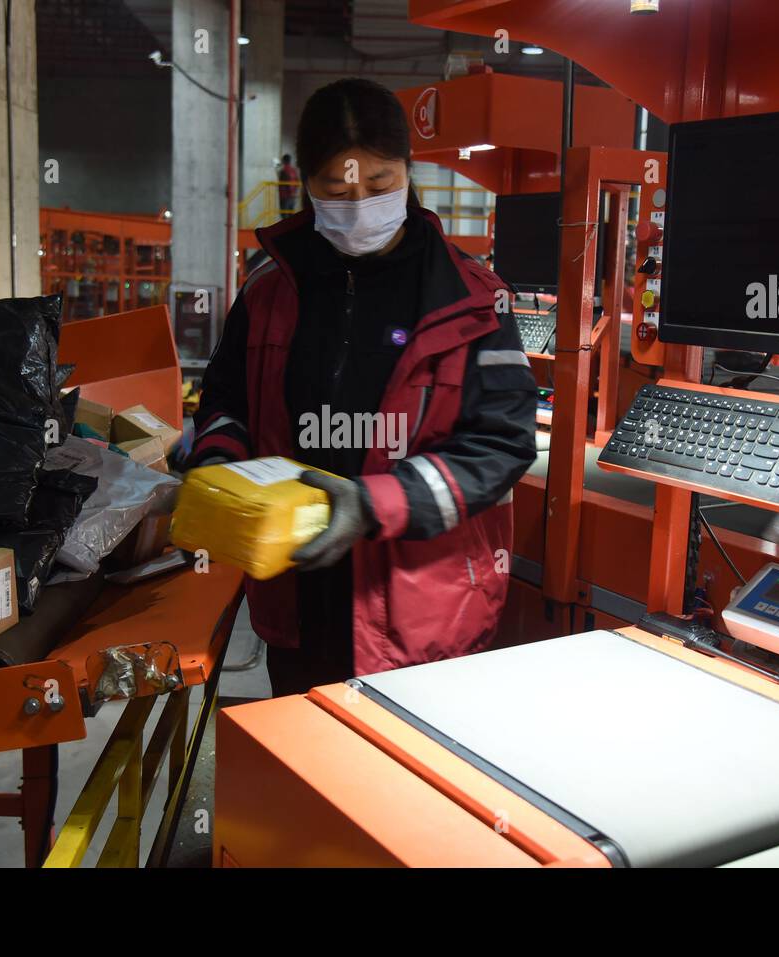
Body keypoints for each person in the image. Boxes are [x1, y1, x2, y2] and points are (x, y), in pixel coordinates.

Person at [188, 78, 536, 697]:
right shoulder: (269, 293)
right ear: (306, 184)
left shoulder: (474, 299)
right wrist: (220, 468)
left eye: (379, 185)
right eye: (336, 189)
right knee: (306, 764)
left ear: (408, 171)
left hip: (422, 612)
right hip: (300, 598)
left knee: (405, 786)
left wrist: (373, 505)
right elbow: (225, 402)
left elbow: (502, 445)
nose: (360, 203)